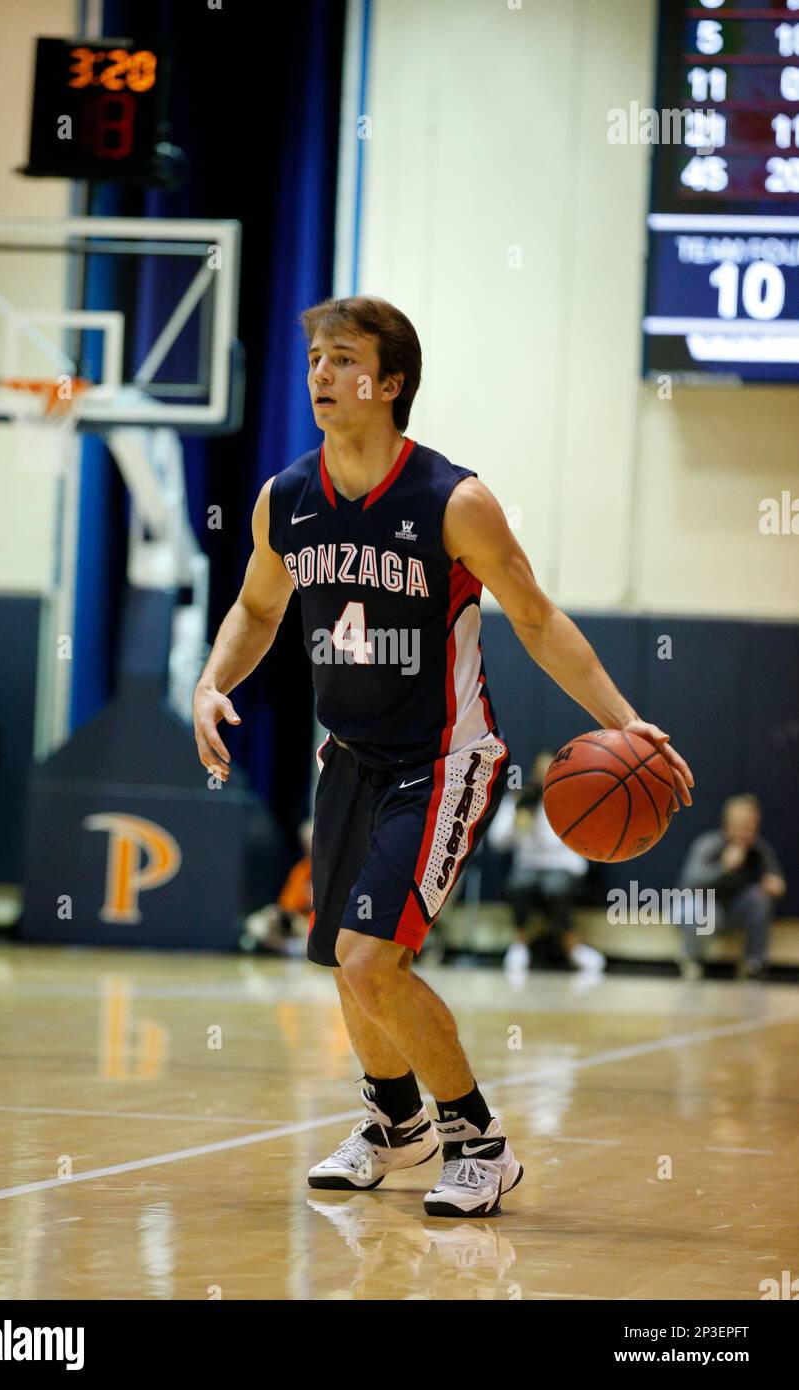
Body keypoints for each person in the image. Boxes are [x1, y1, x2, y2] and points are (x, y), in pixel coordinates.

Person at [192, 295, 693, 1218]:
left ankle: (480, 1143)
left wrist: (625, 720)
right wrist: (211, 681)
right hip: (345, 757)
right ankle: (396, 1126)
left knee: (371, 959)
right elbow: (259, 611)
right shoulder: (287, 499)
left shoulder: (450, 501)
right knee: (344, 962)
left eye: (342, 361)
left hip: (444, 759)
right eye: (314, 360)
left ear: (390, 384)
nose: (321, 376)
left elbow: (537, 619)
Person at [488, 751, 603, 974]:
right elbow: (497, 842)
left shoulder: (571, 801)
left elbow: (579, 843)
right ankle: (519, 944)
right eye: (540, 774)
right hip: (529, 864)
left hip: (563, 864)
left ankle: (572, 946)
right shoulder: (520, 800)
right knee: (520, 884)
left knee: (555, 888)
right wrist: (517, 817)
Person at [677, 794, 785, 981]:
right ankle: (692, 958)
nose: (748, 830)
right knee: (695, 908)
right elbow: (689, 884)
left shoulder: (759, 850)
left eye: (752, 825)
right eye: (743, 824)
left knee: (758, 897)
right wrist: (723, 869)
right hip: (706, 909)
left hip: (735, 912)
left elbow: (776, 879)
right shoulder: (709, 845)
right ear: (727, 824)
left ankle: (754, 964)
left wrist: (775, 886)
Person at [242, 819, 313, 955]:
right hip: (296, 923)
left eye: (313, 840)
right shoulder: (299, 870)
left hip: (315, 926)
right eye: (307, 841)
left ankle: (298, 949)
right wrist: (277, 915)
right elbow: (287, 905)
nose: (310, 845)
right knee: (255, 924)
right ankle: (292, 948)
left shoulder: (330, 871)